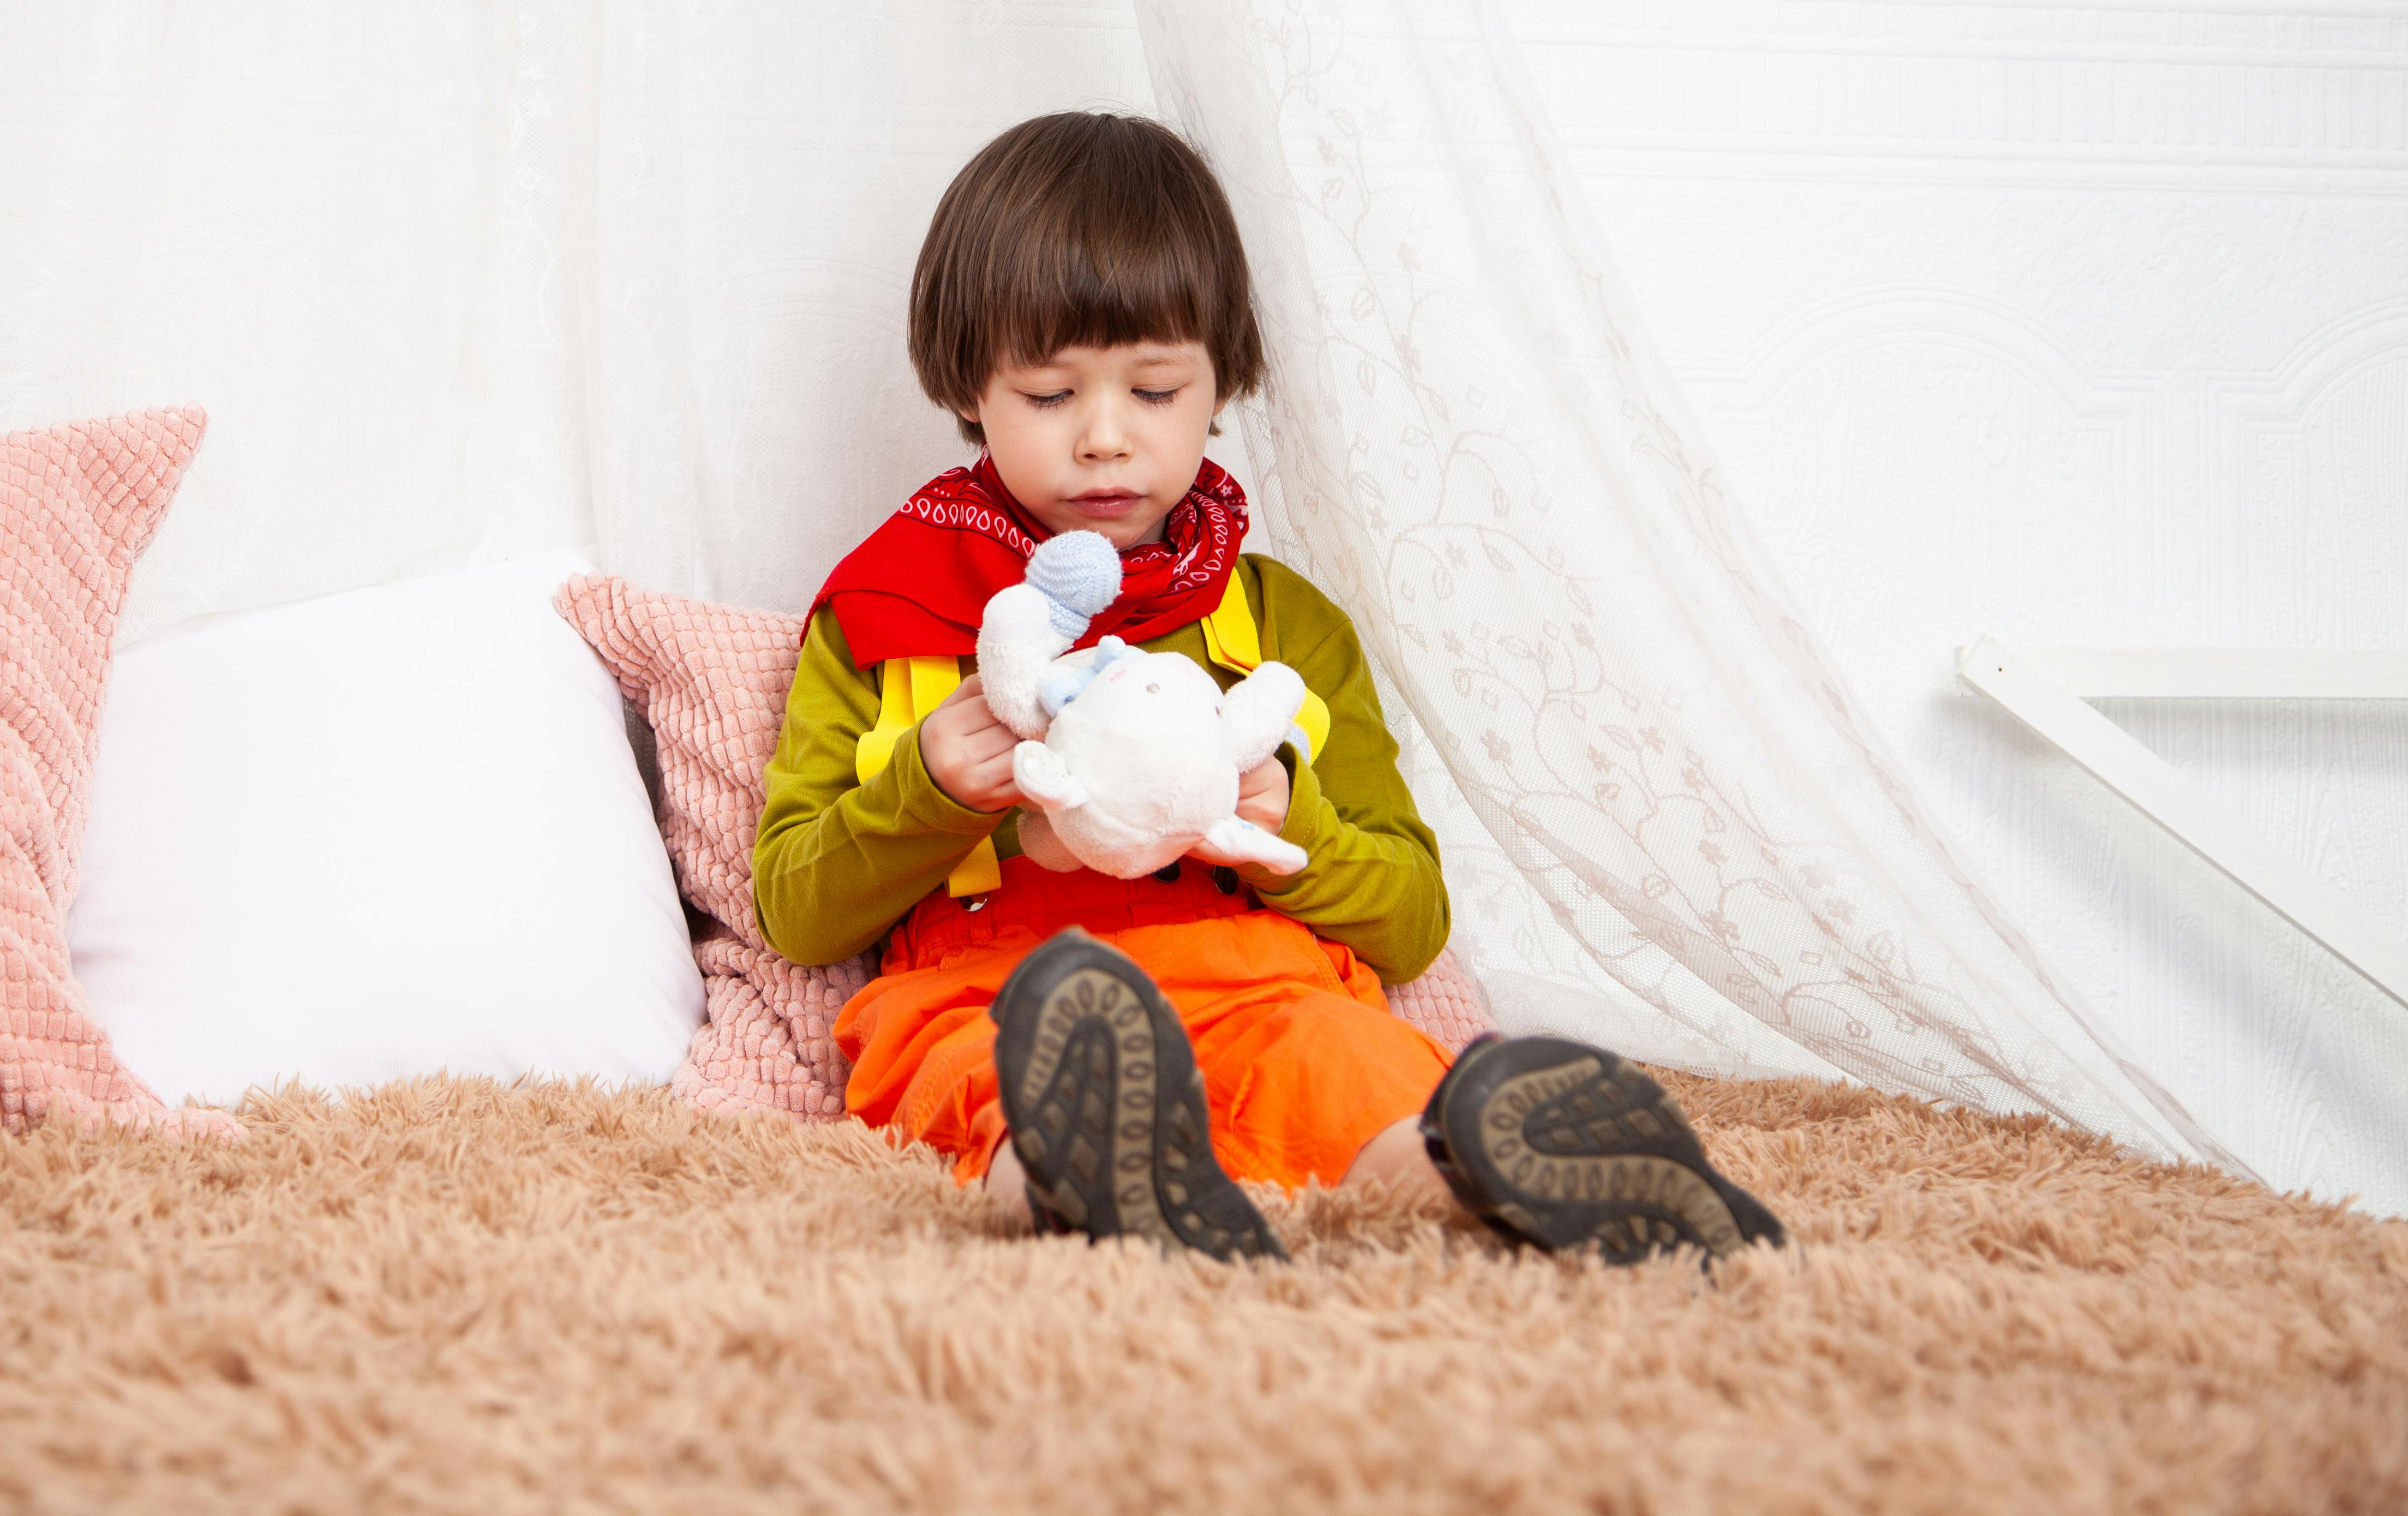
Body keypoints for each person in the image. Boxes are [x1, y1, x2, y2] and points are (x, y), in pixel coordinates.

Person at [754, 112, 1785, 1266]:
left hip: (1257, 976)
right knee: (977, 1070)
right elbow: (797, 912)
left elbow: (1409, 925)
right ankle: (1081, 1174)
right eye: (1050, 396)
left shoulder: (1285, 623)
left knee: (1350, 1064)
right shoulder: (883, 615)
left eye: (1153, 391)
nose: (1104, 440)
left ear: (1222, 383)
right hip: (1005, 989)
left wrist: (1293, 818)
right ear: (968, 387)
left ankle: (1494, 1181)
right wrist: (929, 791)